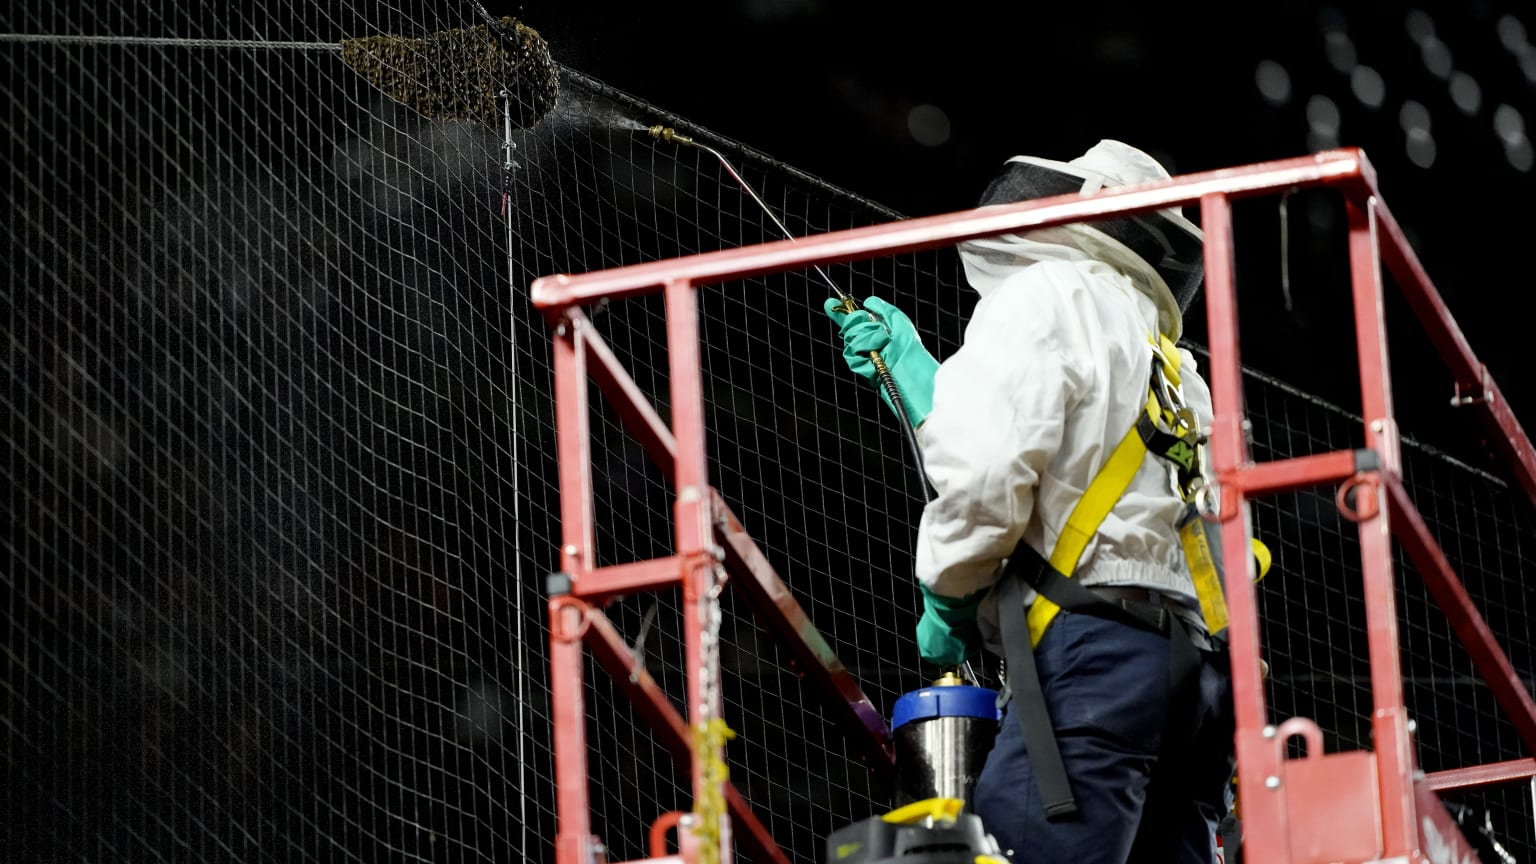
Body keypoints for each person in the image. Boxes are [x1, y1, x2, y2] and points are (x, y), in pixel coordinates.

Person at [826, 140, 1261, 864]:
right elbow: (1075, 467)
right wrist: (920, 379)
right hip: (1200, 685)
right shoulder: (1179, 371)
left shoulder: (1048, 293)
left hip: (1098, 658)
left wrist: (948, 598)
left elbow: (991, 476)